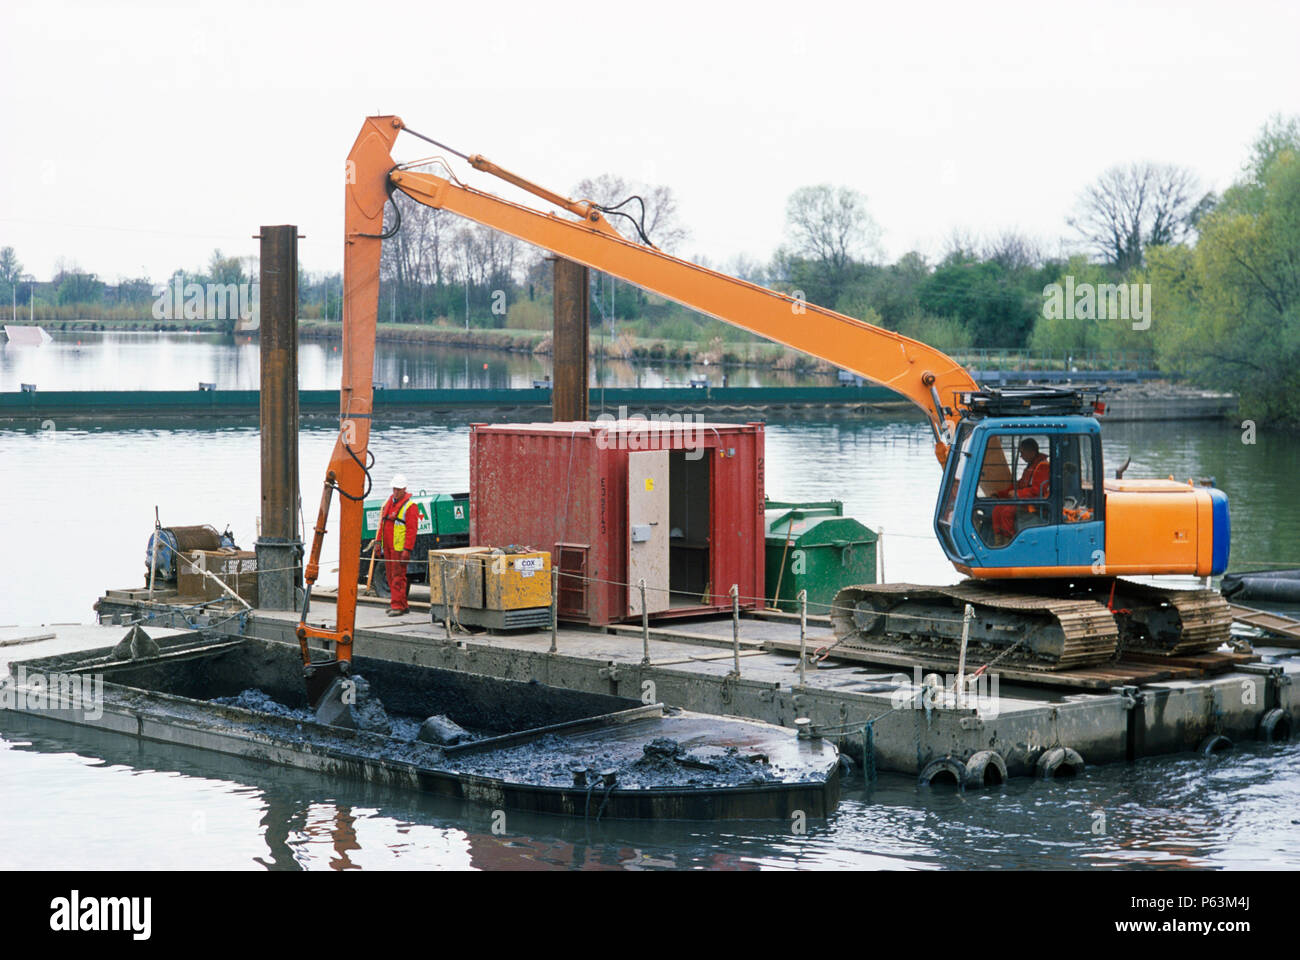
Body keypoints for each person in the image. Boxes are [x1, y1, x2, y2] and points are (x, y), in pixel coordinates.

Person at [378, 474, 421, 616]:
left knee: (398, 576)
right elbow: (382, 523)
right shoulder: (389, 501)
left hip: (399, 547)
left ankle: (398, 606)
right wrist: (378, 542)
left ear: (404, 489)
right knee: (391, 575)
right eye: (394, 489)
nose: (395, 492)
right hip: (389, 546)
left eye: (398, 489)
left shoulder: (410, 506)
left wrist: (407, 550)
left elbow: (411, 530)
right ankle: (400, 604)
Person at [992, 438, 1050, 542]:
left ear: (1031, 452)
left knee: (1007, 512)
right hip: (1025, 500)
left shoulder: (1043, 467)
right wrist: (1001, 494)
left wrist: (1017, 494)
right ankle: (998, 540)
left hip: (1034, 504)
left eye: (1022, 453)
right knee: (998, 509)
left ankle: (1010, 541)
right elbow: (1020, 484)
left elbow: (1038, 491)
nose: (1021, 456)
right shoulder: (1032, 466)